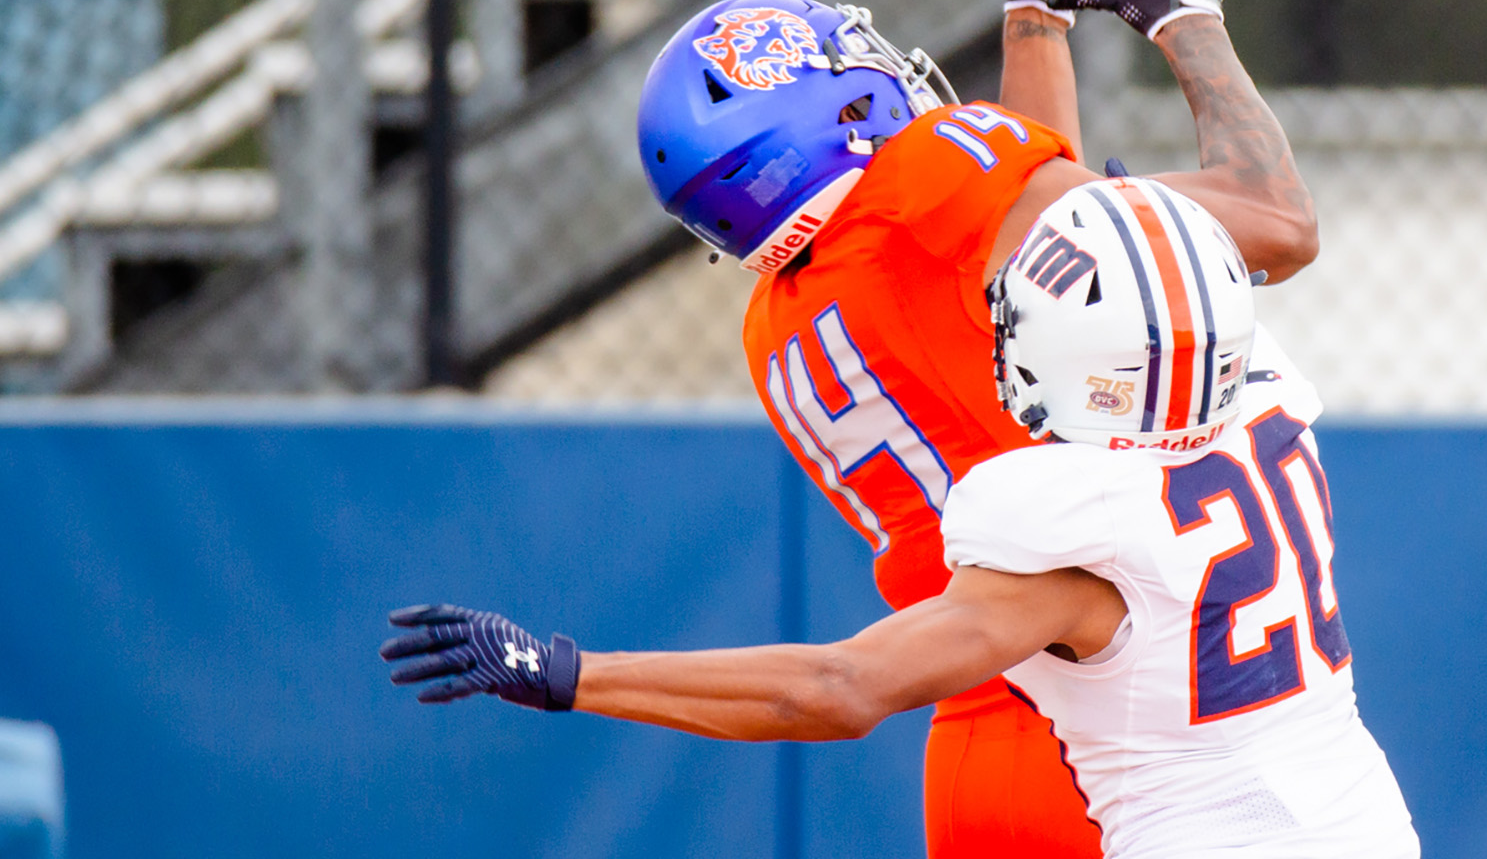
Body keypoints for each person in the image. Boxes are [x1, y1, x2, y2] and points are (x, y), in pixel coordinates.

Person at [619, 0, 1318, 857]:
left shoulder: (783, 316)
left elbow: (1043, 252)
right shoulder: (928, 185)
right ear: (827, 113)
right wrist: (1184, 11)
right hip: (1114, 735)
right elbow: (1276, 220)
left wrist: (1038, 9)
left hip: (977, 748)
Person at [381, 181, 1419, 859]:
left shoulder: (1070, 529)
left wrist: (571, 675)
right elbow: (1211, 256)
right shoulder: (1263, 398)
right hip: (1369, 827)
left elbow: (840, 689)